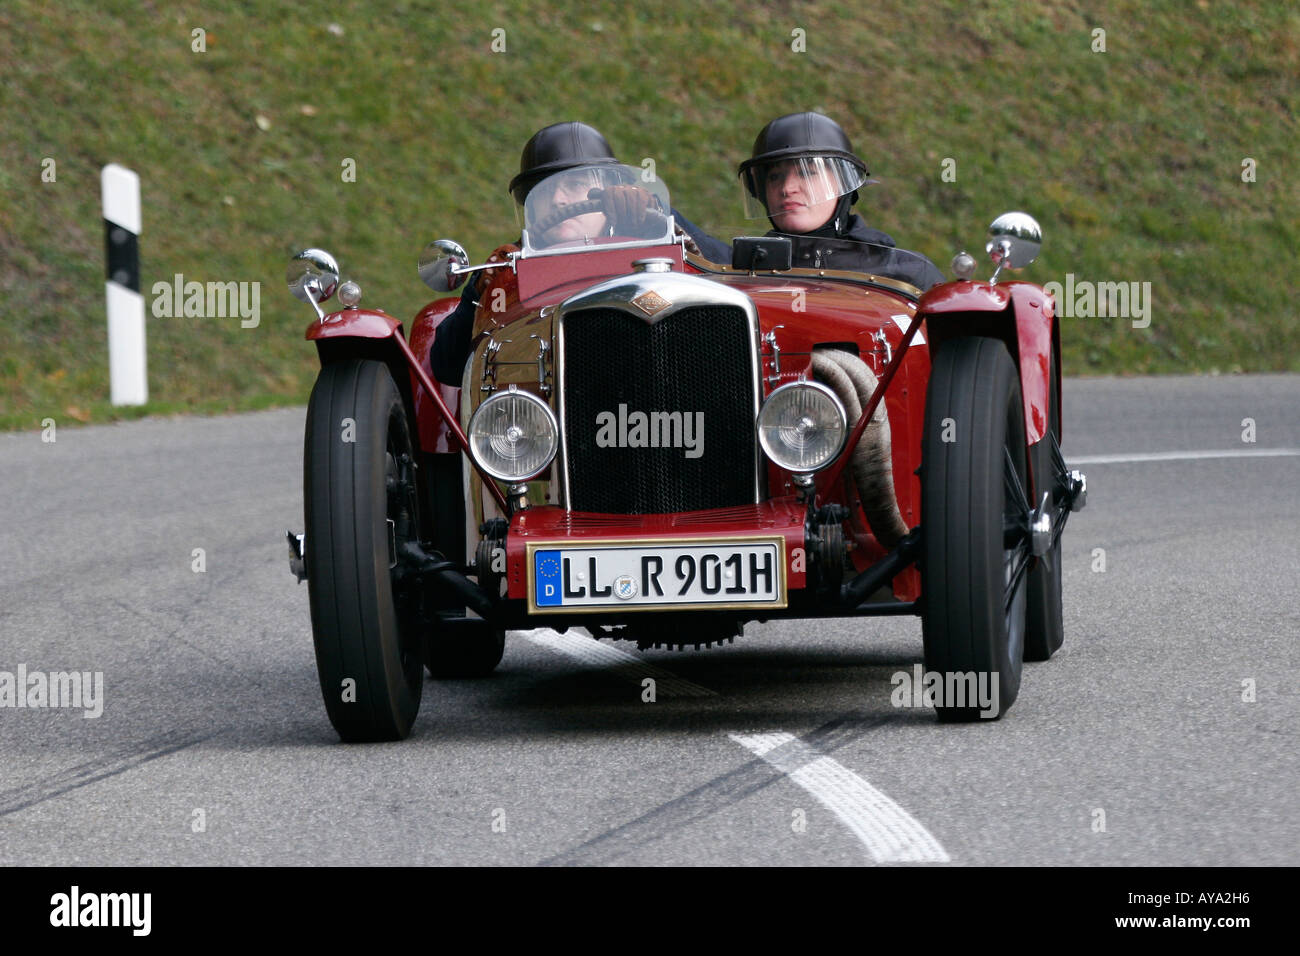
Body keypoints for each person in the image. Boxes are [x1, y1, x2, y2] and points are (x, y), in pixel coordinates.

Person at [431, 122, 729, 386]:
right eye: (543, 191)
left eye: (574, 185)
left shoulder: (656, 236)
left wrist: (660, 213)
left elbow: (726, 267)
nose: (558, 200)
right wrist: (480, 294)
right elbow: (447, 367)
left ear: (611, 191)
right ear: (530, 206)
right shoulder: (510, 267)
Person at [738, 112, 945, 290]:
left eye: (808, 173)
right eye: (775, 177)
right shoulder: (739, 270)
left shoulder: (908, 273)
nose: (787, 188)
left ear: (843, 186)